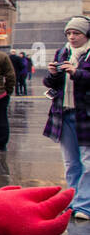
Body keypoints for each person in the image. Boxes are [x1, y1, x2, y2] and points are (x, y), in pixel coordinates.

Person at [43, 16, 90, 220]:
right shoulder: (63, 52)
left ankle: (85, 205)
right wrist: (53, 74)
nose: (72, 37)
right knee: (71, 163)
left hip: (85, 114)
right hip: (64, 113)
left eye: (76, 33)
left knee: (88, 162)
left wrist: (76, 72)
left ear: (86, 35)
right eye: (69, 33)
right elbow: (51, 84)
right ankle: (73, 201)